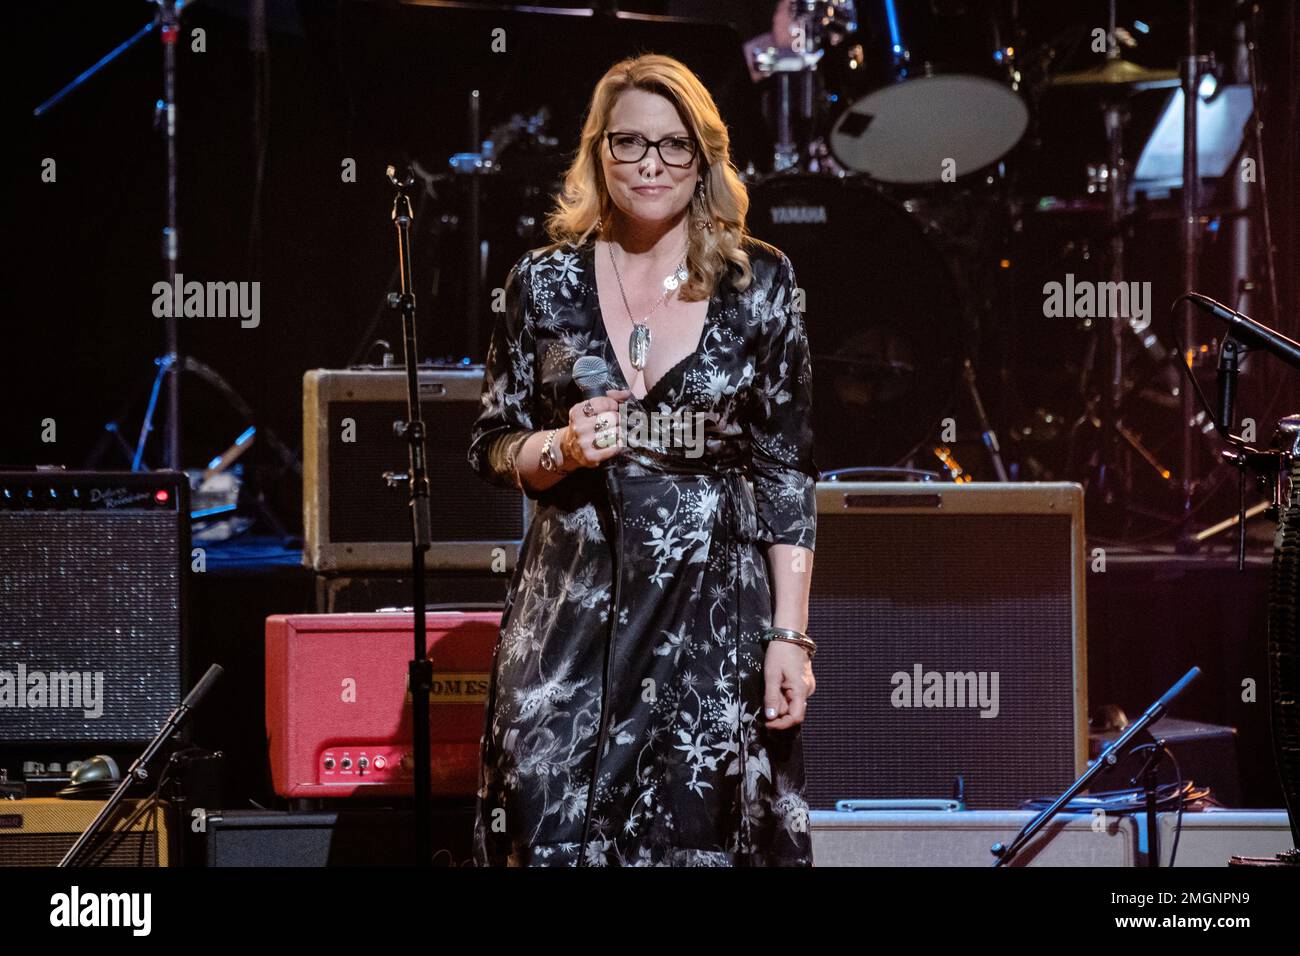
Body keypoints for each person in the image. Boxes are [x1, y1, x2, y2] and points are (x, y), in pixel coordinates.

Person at [467, 52, 818, 867]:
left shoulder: (759, 282)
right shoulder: (540, 283)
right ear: (599, 153)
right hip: (568, 621)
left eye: (674, 145)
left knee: (695, 839)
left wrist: (789, 637)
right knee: (543, 824)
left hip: (712, 622)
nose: (651, 164)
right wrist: (557, 447)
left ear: (704, 159)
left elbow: (788, 472)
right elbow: (490, 445)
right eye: (629, 144)